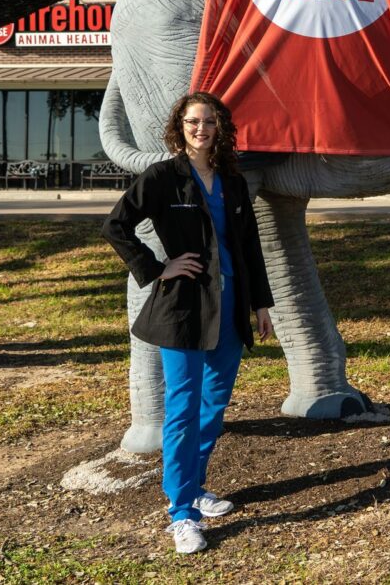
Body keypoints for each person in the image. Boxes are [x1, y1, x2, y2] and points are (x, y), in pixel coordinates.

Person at [102, 91, 274, 554]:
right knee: (182, 409)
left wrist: (261, 304)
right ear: (180, 127)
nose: (202, 129)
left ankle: (194, 486)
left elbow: (249, 245)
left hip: (231, 305)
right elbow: (116, 225)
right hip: (183, 308)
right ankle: (181, 513)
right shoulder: (162, 177)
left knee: (214, 404)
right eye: (194, 121)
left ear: (221, 128)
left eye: (210, 122)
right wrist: (159, 268)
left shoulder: (232, 182)